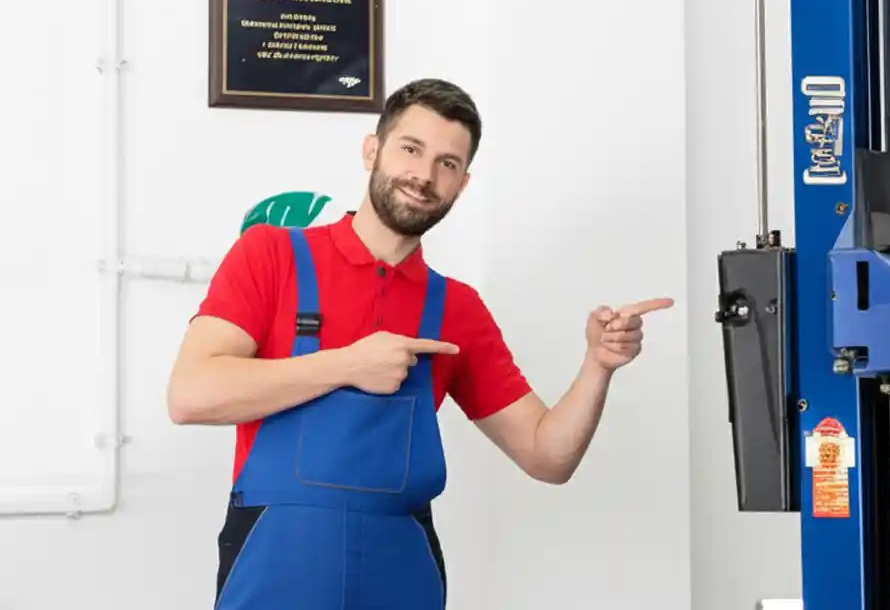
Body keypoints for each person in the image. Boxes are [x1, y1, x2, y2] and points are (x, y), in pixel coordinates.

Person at [166, 78, 673, 609]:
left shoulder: (456, 309)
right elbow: (191, 394)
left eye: (447, 164)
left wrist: (598, 366)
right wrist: (345, 365)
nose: (424, 176)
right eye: (412, 149)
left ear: (463, 184)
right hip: (275, 567)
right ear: (372, 150)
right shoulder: (271, 255)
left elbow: (548, 457)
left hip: (400, 575)